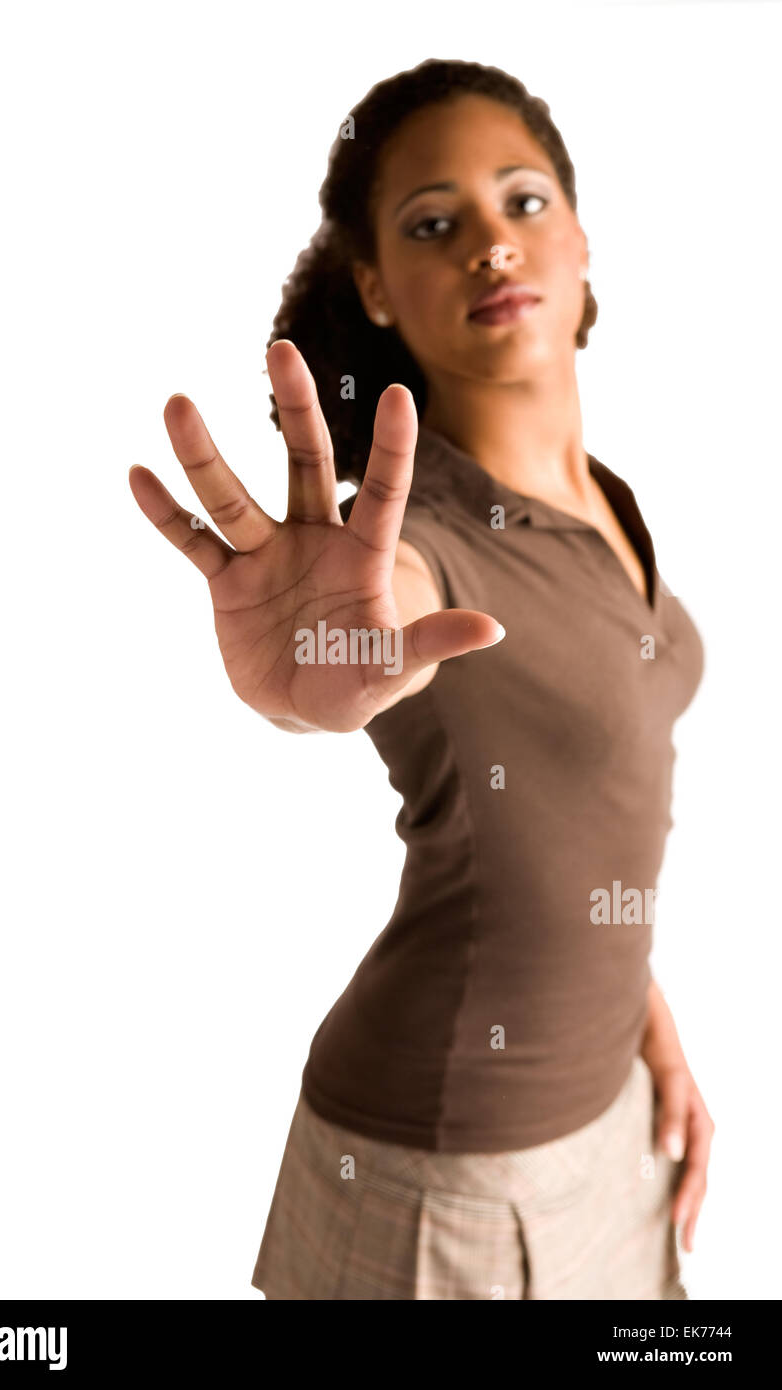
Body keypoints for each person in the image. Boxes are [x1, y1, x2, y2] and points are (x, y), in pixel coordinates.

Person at [128, 57, 714, 1300]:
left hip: (611, 1123)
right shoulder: (420, 539)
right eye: (433, 225)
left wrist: (644, 1027)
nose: (491, 246)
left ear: (581, 237)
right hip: (439, 1179)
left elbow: (564, 829)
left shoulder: (605, 497)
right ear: (375, 287)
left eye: (522, 201)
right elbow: (382, 615)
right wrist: (320, 660)